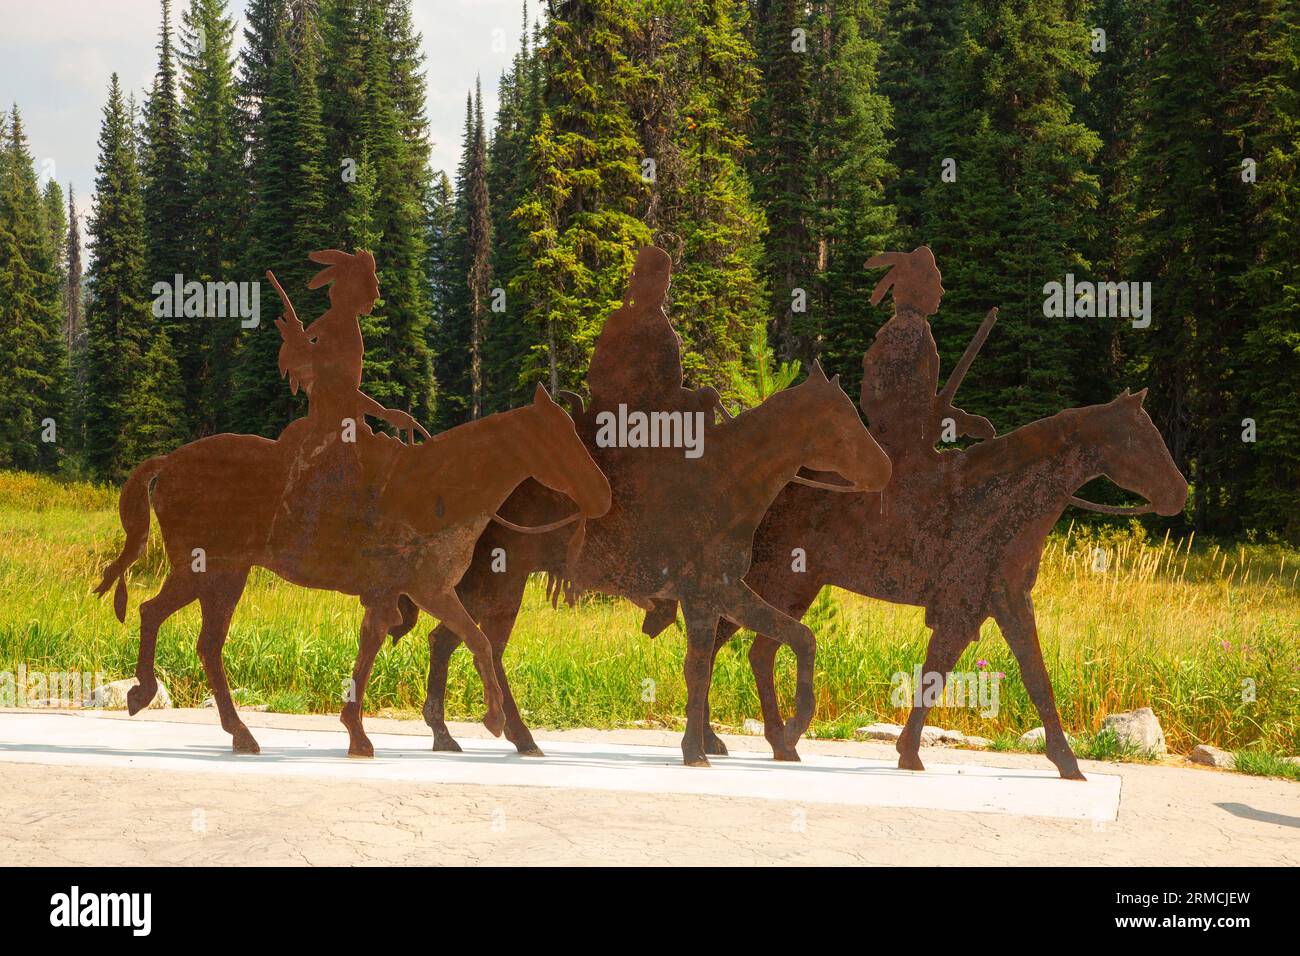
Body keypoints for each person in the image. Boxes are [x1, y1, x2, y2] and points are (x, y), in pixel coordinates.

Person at [268, 249, 428, 485]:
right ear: (353, 288)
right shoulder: (340, 325)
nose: (375, 293)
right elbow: (342, 390)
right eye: (369, 285)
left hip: (345, 421)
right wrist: (384, 413)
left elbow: (336, 380)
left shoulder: (338, 321)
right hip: (337, 425)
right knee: (356, 473)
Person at [860, 246, 994, 469]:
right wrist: (937, 422)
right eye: (935, 284)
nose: (941, 291)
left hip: (906, 444)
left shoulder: (916, 327)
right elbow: (895, 398)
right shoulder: (908, 329)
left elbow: (920, 402)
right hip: (899, 451)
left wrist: (956, 420)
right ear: (919, 289)